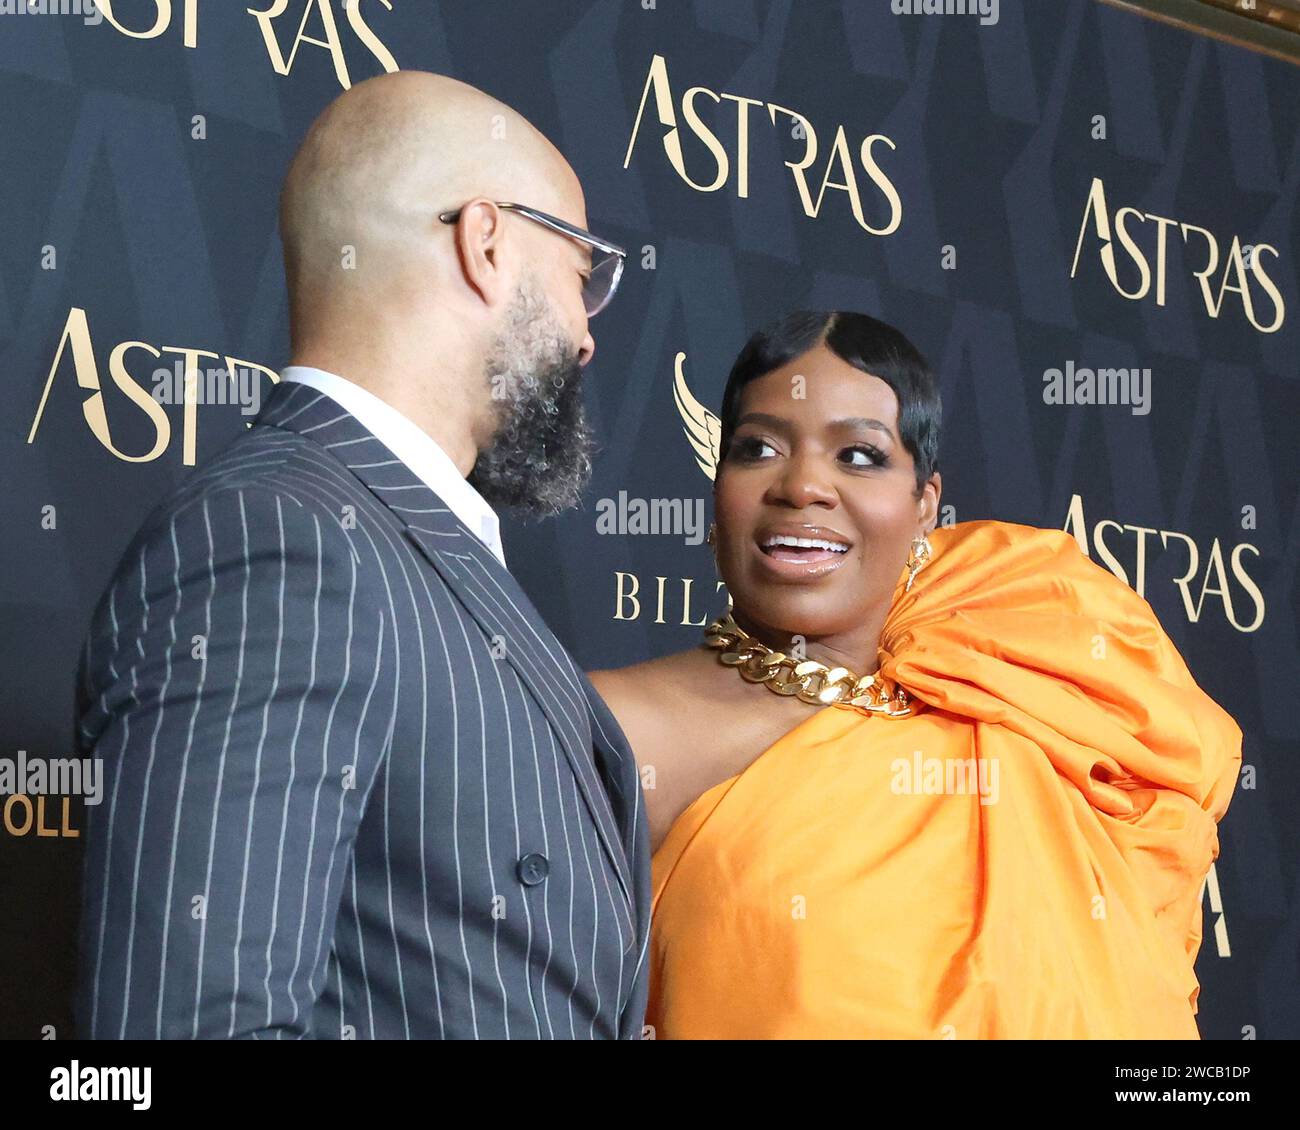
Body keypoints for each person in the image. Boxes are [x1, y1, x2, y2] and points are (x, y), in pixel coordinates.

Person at [75, 71, 649, 1039]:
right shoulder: (277, 542)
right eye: (582, 271)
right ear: (487, 242)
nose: (588, 335)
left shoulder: (390, 535)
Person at [591, 309, 1241, 1039]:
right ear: (719, 485)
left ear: (925, 504)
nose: (802, 486)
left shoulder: (1013, 698)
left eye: (859, 456)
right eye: (759, 448)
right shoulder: (610, 729)